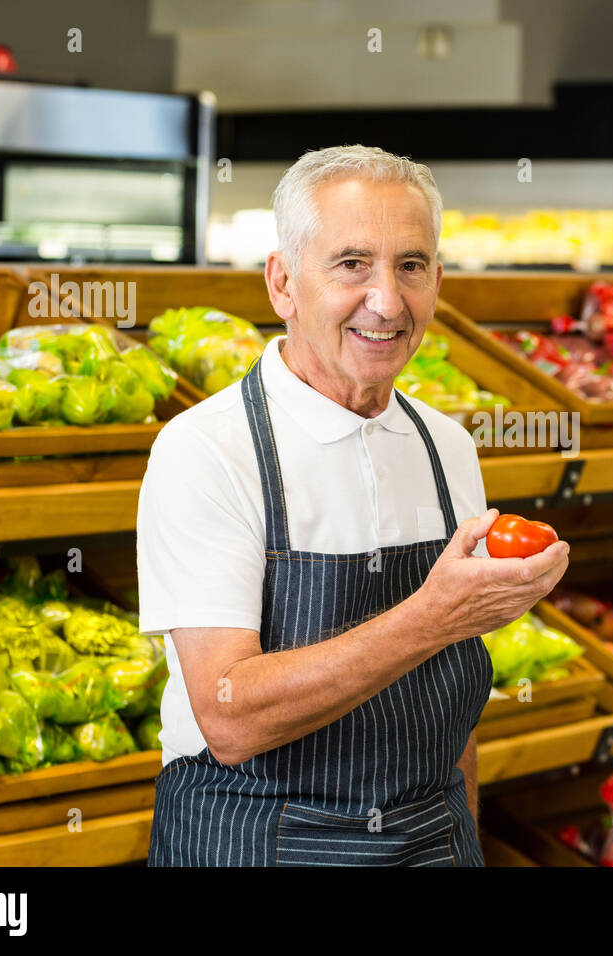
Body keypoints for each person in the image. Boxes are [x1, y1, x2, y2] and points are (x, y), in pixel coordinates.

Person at [137, 144, 569, 866]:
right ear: (282, 283)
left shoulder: (448, 449)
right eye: (351, 264)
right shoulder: (207, 451)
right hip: (257, 842)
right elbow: (229, 716)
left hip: (432, 841)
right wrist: (430, 618)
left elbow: (451, 711)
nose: (387, 301)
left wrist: (466, 834)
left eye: (411, 265)